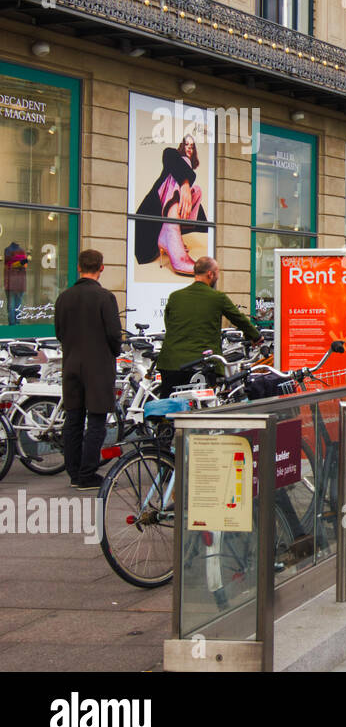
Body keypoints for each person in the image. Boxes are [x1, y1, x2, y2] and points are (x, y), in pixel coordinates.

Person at [54, 249, 122, 490]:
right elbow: (114, 334)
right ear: (101, 268)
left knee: (73, 419)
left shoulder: (64, 297)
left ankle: (73, 472)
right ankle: (87, 473)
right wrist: (115, 351)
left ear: (78, 268)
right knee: (96, 421)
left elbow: (59, 332)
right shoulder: (105, 297)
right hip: (98, 367)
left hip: (71, 364)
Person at [156, 257, 260, 397]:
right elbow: (239, 319)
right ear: (210, 274)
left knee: (168, 405)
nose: (217, 276)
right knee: (202, 408)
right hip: (200, 365)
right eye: (217, 273)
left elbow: (169, 324)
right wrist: (256, 336)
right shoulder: (217, 297)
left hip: (170, 363)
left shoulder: (175, 297)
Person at [135, 133, 207, 276]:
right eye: (186, 145)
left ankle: (171, 235)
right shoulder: (171, 154)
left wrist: (187, 186)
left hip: (162, 224)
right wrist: (184, 184)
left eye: (192, 147)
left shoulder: (187, 178)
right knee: (179, 167)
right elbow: (170, 157)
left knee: (197, 190)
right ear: (181, 146)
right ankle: (171, 233)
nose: (189, 148)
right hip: (146, 226)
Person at [4, 241, 28, 324]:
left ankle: (13, 325)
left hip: (11, 284)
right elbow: (25, 264)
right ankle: (16, 324)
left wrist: (15, 264)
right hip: (20, 283)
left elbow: (9, 265)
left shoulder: (8, 251)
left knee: (12, 306)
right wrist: (21, 262)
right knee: (17, 305)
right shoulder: (21, 251)